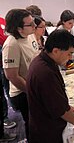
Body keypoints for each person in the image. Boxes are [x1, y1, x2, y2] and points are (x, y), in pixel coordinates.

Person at [27, 29, 74, 143]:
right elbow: (59, 110)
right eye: (69, 53)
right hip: (47, 132)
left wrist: (66, 106)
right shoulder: (45, 73)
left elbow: (52, 100)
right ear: (56, 51)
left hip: (42, 122)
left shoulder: (43, 60)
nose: (70, 57)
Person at [2, 9, 39, 140]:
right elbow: (12, 76)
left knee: (40, 121)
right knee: (32, 124)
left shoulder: (30, 35)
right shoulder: (11, 45)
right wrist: (32, 91)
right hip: (23, 92)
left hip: (35, 86)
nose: (35, 26)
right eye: (30, 24)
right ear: (19, 29)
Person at [0, 17, 16, 129]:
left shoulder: (2, 20)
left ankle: (14, 106)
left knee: (7, 84)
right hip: (3, 54)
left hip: (6, 56)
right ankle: (4, 117)